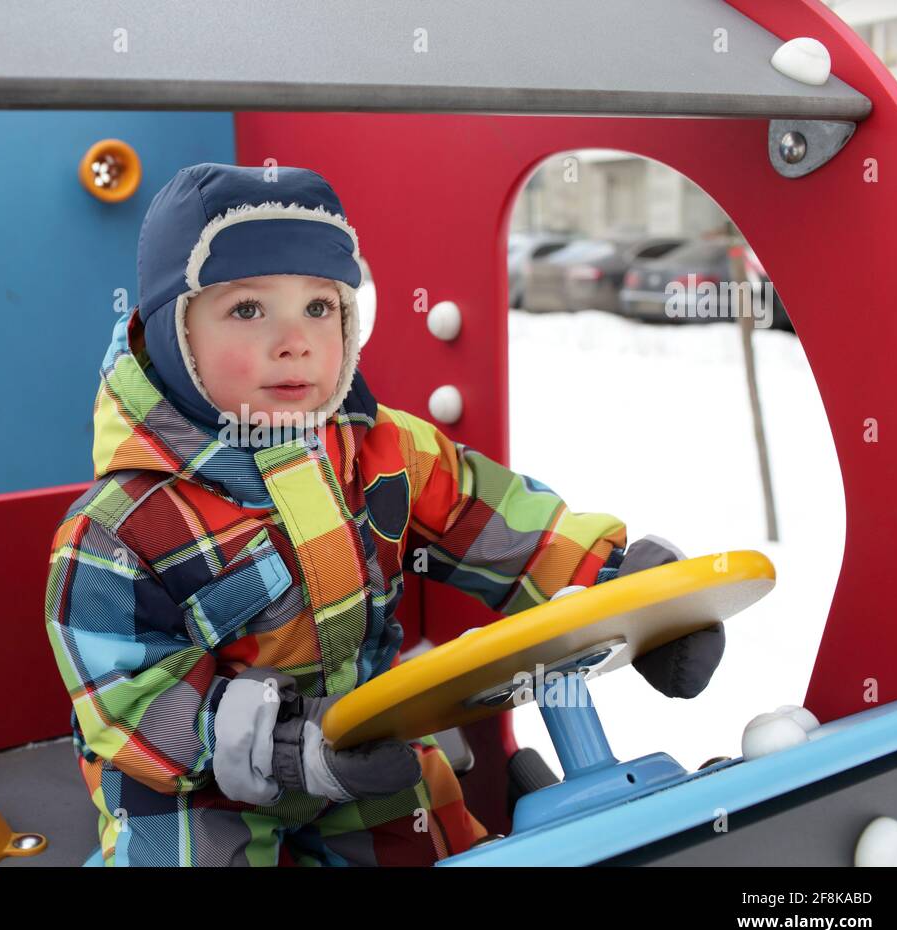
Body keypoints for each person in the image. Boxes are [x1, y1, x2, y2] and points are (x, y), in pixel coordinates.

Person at [44, 162, 724, 866]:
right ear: (172, 334)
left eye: (320, 307)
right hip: (200, 785)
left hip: (361, 748)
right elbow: (132, 703)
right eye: (248, 309)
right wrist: (289, 752)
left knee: (438, 844)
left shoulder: (385, 448)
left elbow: (494, 521)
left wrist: (623, 587)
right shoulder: (118, 530)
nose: (295, 340)